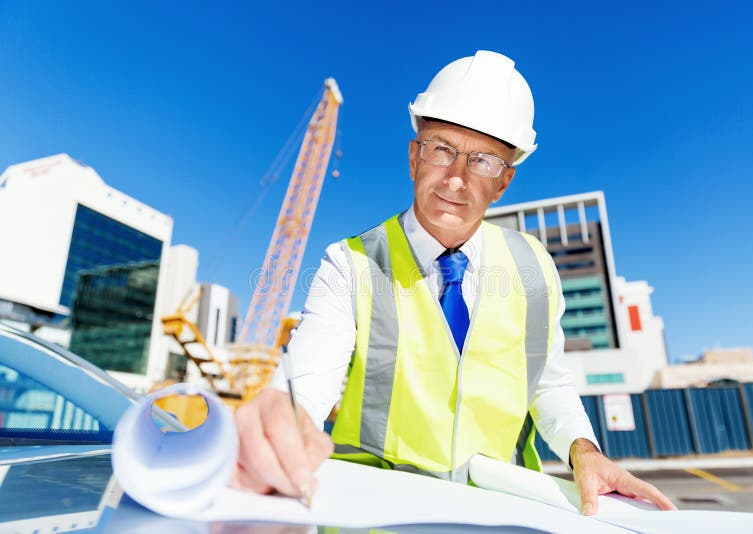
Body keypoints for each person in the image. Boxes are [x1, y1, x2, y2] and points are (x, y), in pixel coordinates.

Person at [231, 50, 676, 516]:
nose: (458, 179)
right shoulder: (351, 264)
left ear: (503, 183)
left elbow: (548, 383)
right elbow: (309, 375)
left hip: (505, 517)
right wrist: (283, 417)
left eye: (483, 162)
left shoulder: (533, 267)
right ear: (413, 157)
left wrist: (585, 450)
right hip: (379, 517)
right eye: (441, 148)